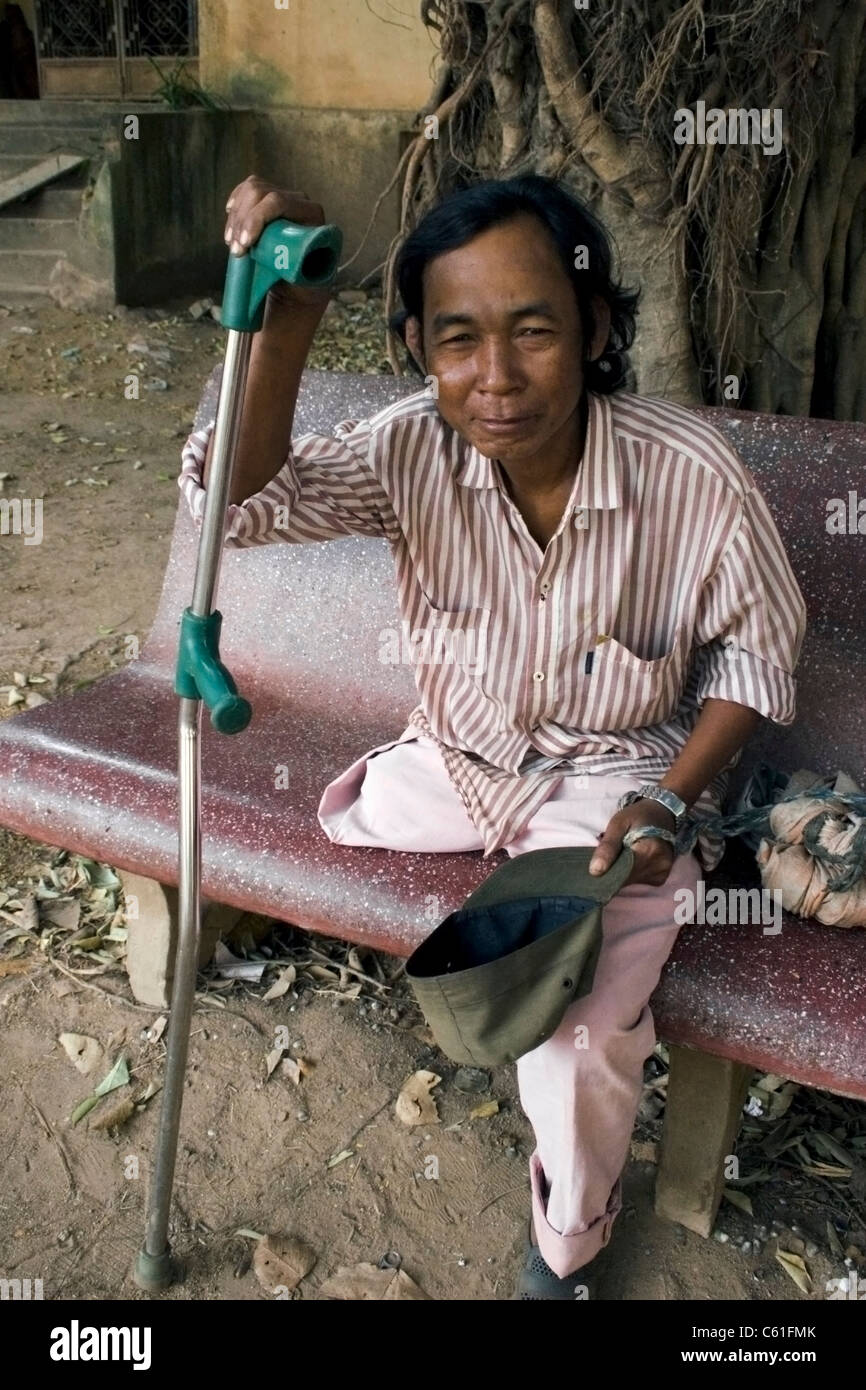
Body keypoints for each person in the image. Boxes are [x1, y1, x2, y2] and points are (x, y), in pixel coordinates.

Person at [178, 173, 807, 1299]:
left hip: (615, 779)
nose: (497, 377)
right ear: (419, 345)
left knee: (568, 1010)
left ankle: (567, 1249)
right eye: (457, 339)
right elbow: (236, 503)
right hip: (451, 769)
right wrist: (292, 317)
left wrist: (669, 800)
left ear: (596, 328)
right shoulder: (409, 444)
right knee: (345, 836)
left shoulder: (690, 475)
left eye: (533, 332)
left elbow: (755, 658)